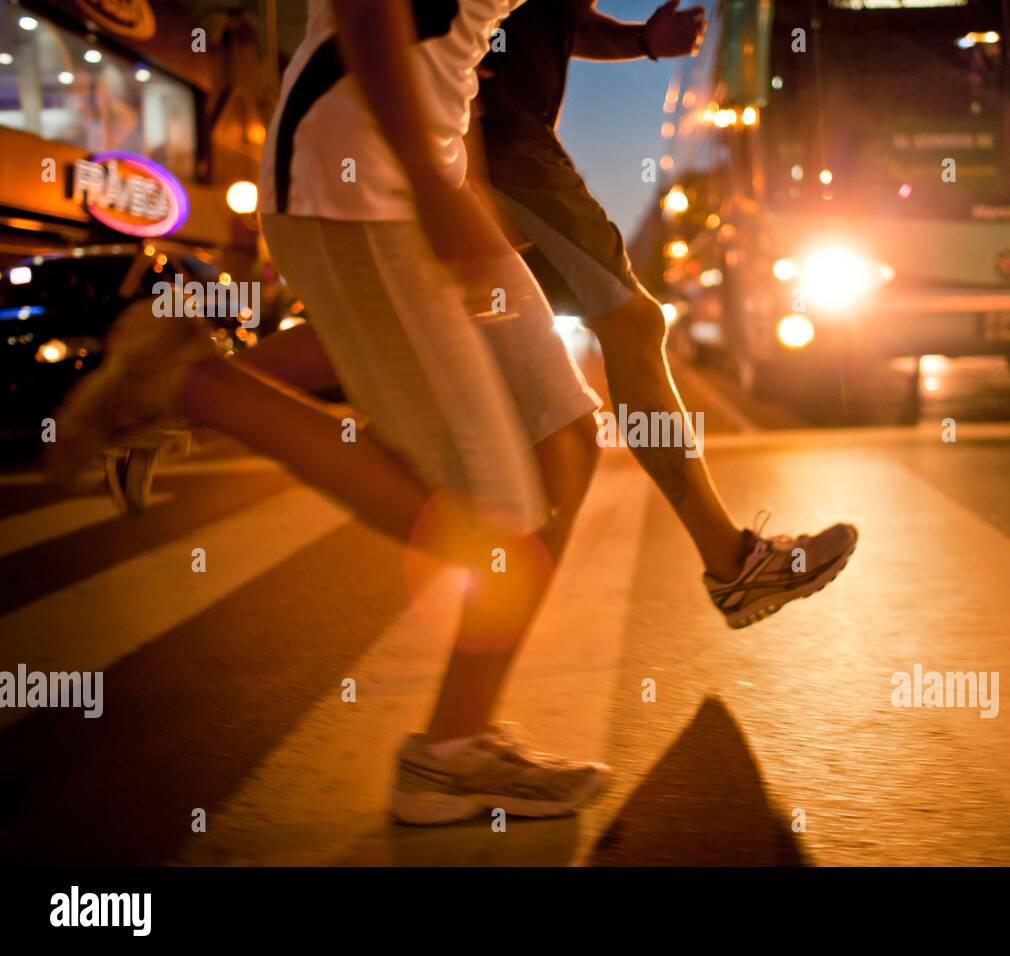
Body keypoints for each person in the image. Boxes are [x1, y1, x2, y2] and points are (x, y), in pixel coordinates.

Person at [47, 0, 613, 825]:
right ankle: (184, 385)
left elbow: (458, 41)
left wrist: (468, 181)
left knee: (566, 441)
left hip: (429, 171)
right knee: (491, 519)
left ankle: (455, 750)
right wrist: (427, 179)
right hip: (356, 183)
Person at [251, 0, 861, 629]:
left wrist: (641, 42)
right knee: (629, 327)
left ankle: (169, 389)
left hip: (472, 139)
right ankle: (731, 562)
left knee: (401, 355)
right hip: (494, 140)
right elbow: (377, 15)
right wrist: (443, 174)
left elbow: (555, 15)